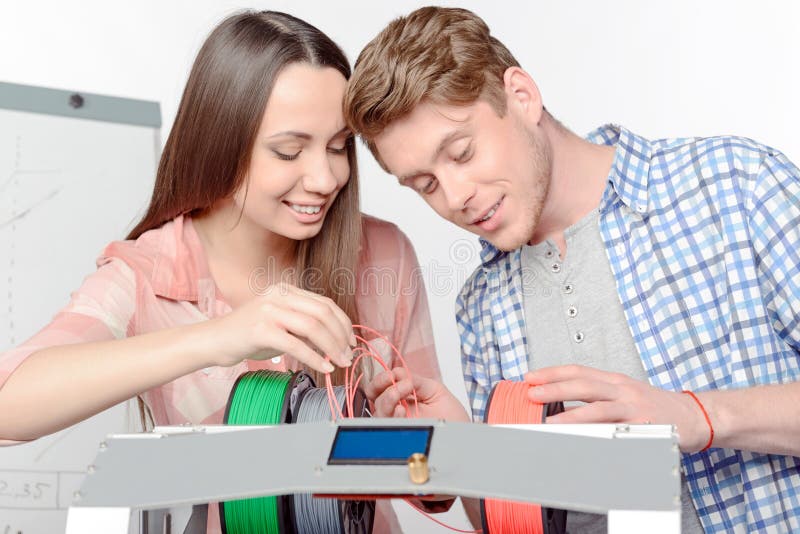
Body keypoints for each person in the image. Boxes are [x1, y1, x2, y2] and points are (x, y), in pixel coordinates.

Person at [346, 6, 800, 534]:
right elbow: (517, 520)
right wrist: (460, 449)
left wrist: (699, 416)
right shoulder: (482, 305)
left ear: (521, 96)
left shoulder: (735, 185)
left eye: (462, 152)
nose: (455, 196)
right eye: (424, 184)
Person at [0, 10, 445, 533]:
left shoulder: (384, 253)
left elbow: (429, 477)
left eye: (338, 145)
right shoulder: (146, 274)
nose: (326, 178)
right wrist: (219, 338)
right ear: (221, 142)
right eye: (288, 150)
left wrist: (424, 451)